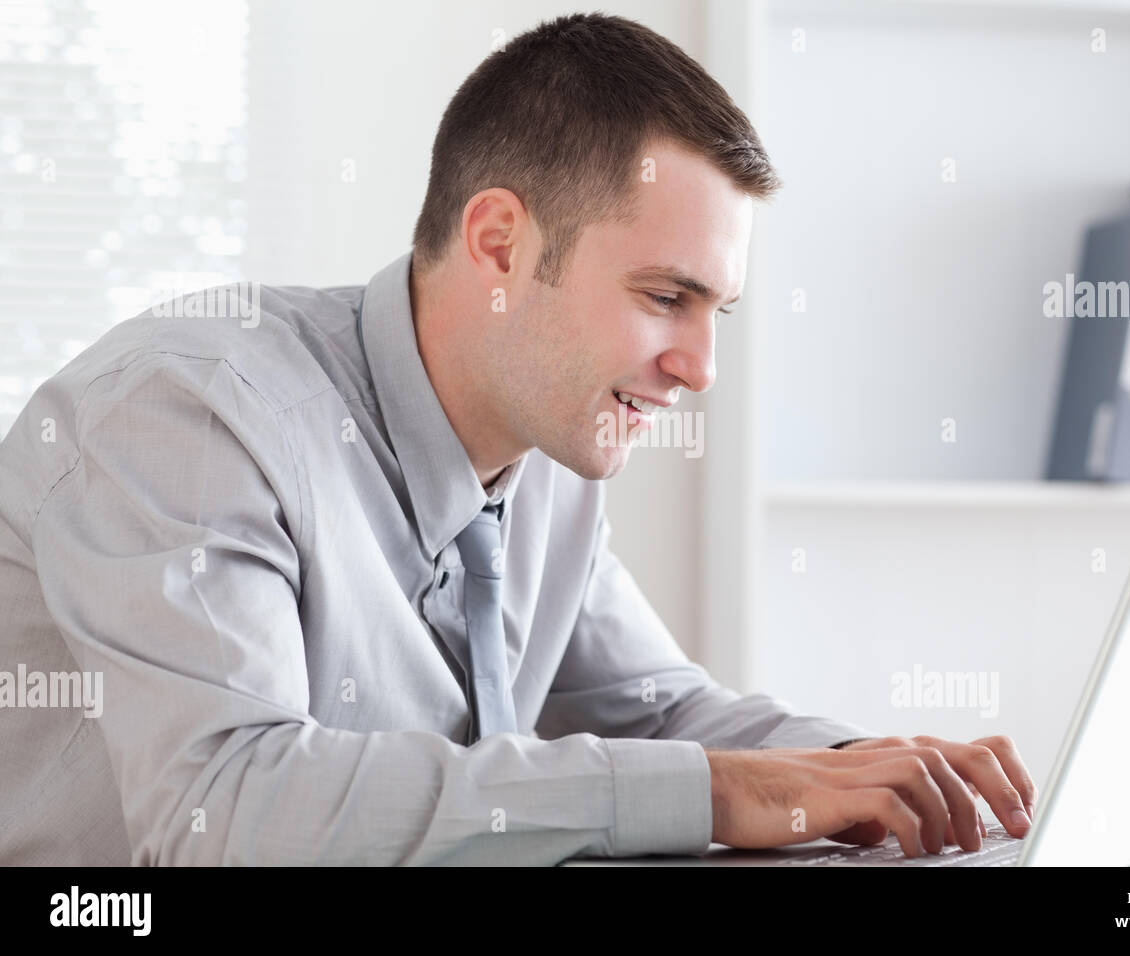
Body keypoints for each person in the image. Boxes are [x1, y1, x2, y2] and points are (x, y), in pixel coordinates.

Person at [0, 12, 1034, 865]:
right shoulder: (190, 412)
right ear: (500, 242)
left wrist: (869, 766)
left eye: (717, 310)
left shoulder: (545, 456)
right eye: (665, 296)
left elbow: (658, 711)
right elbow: (225, 811)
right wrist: (718, 793)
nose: (698, 365)